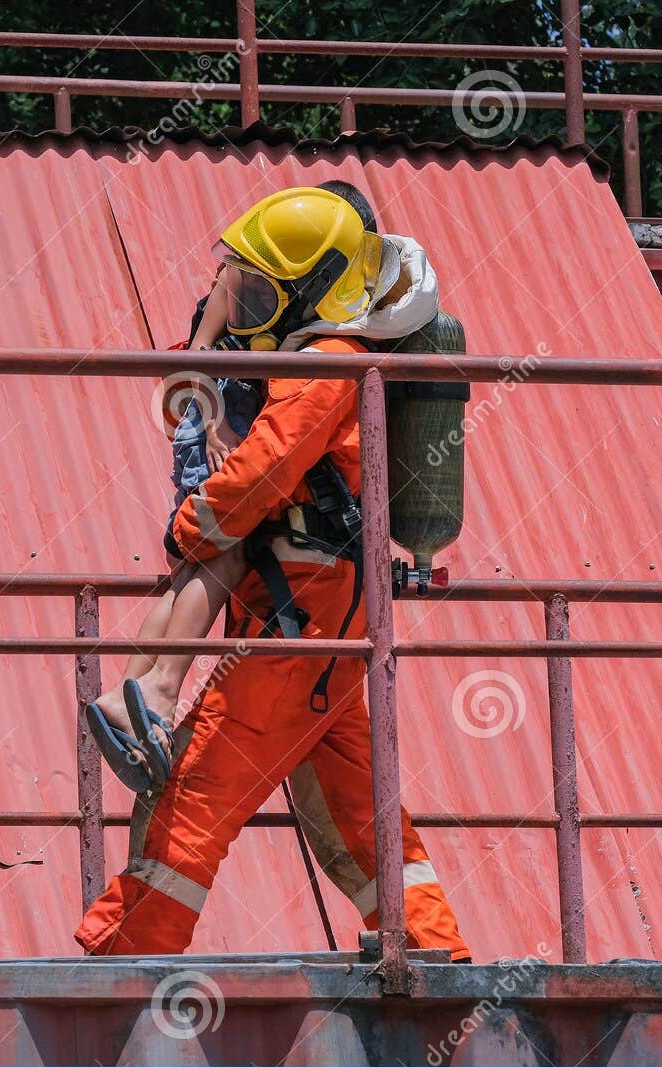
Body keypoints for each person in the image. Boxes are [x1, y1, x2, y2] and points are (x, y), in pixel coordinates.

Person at [75, 185, 470, 960]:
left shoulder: (327, 365)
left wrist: (191, 527)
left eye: (263, 293)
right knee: (355, 806)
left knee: (192, 787)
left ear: (312, 293)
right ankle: (432, 954)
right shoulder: (318, 361)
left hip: (302, 620)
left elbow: (263, 470)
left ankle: (125, 970)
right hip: (314, 619)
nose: (248, 308)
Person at [86, 182, 440, 788]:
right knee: (216, 562)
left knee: (184, 581)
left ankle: (126, 695)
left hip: (293, 565)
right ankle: (159, 692)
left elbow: (199, 359)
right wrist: (197, 522)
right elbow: (268, 463)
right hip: (299, 584)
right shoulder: (327, 358)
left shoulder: (249, 290)